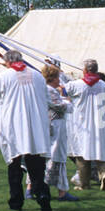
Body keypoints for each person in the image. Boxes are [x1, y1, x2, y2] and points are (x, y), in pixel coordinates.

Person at [0, 49, 54, 211]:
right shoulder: (38, 75)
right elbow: (48, 99)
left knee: (15, 165)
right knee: (36, 166)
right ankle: (43, 196)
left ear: (7, 62)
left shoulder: (5, 76)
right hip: (35, 127)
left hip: (14, 126)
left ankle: (16, 201)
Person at [64, 59, 105, 193]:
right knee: (101, 151)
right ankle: (104, 175)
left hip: (82, 124)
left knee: (82, 155)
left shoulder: (75, 85)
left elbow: (63, 92)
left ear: (84, 70)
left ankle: (84, 184)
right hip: (100, 123)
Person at [42, 66, 76, 202]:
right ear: (52, 78)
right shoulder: (50, 91)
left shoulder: (46, 90)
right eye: (57, 78)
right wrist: (67, 100)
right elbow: (63, 107)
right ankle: (61, 191)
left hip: (51, 125)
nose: (59, 81)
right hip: (56, 126)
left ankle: (33, 187)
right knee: (58, 156)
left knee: (51, 155)